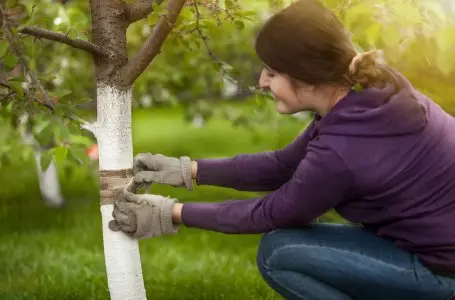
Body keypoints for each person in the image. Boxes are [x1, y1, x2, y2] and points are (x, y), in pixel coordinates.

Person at [108, 0, 455, 299]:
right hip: (432, 250)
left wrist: (169, 213)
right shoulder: (368, 93)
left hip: (440, 274)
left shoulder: (342, 149)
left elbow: (271, 213)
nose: (261, 81)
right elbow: (282, 165)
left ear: (305, 75)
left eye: (272, 73)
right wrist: (187, 170)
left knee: (279, 251)